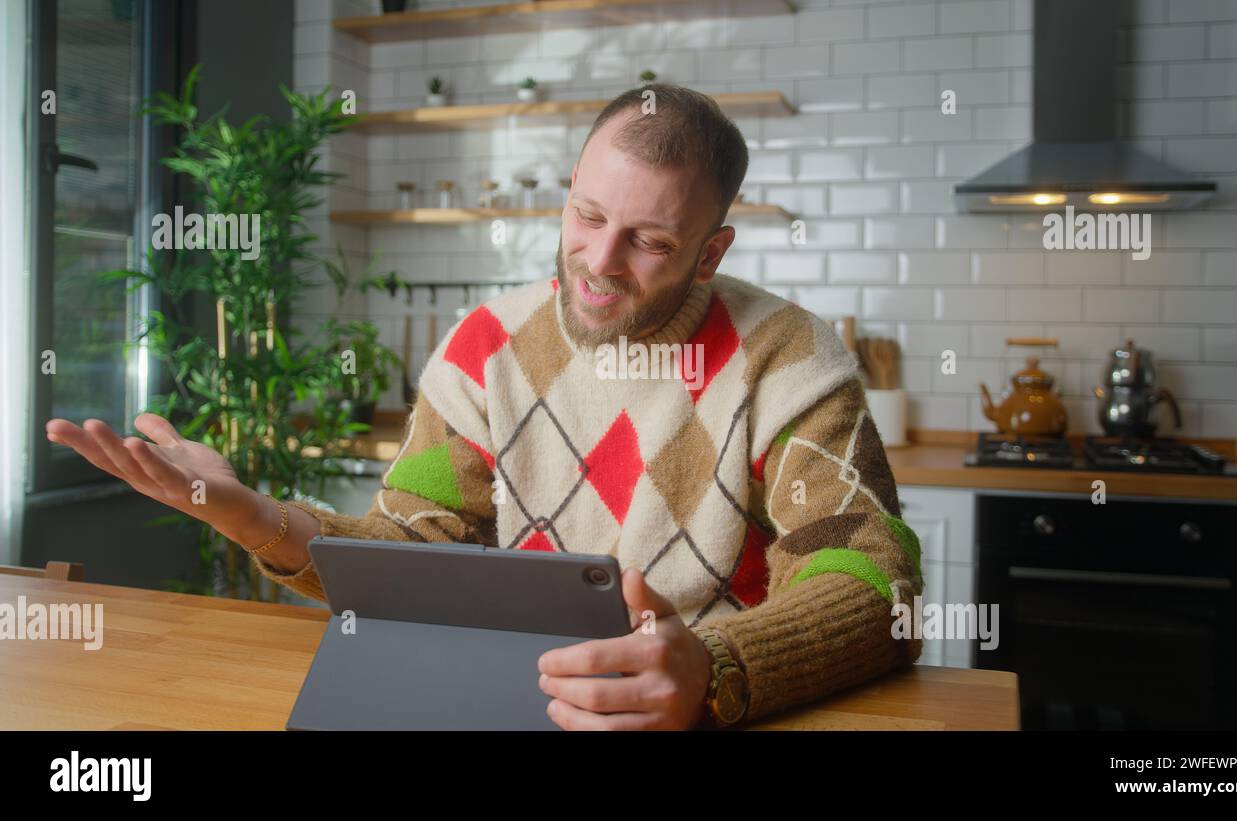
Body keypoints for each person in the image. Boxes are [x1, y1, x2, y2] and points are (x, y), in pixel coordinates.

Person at [47, 84, 923, 730]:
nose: (598, 260)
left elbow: (877, 583)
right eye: (586, 214)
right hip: (521, 708)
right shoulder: (485, 346)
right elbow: (414, 551)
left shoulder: (791, 357)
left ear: (708, 253)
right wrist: (251, 515)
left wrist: (716, 671)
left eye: (649, 241)